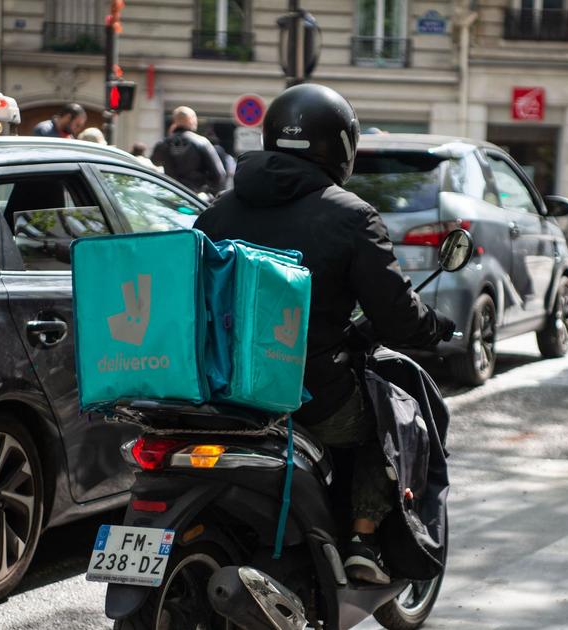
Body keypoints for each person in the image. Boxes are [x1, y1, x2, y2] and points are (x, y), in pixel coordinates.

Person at [193, 84, 455, 585]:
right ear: (341, 145)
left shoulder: (216, 213)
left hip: (214, 391)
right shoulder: (351, 216)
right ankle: (362, 539)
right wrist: (436, 325)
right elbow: (398, 316)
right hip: (306, 395)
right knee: (394, 415)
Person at [151, 106, 226, 195]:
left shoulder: (163, 144)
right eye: (194, 118)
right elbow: (219, 174)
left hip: (171, 196)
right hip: (194, 198)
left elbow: (154, 162)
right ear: (191, 120)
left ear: (175, 122)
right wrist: (210, 194)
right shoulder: (201, 142)